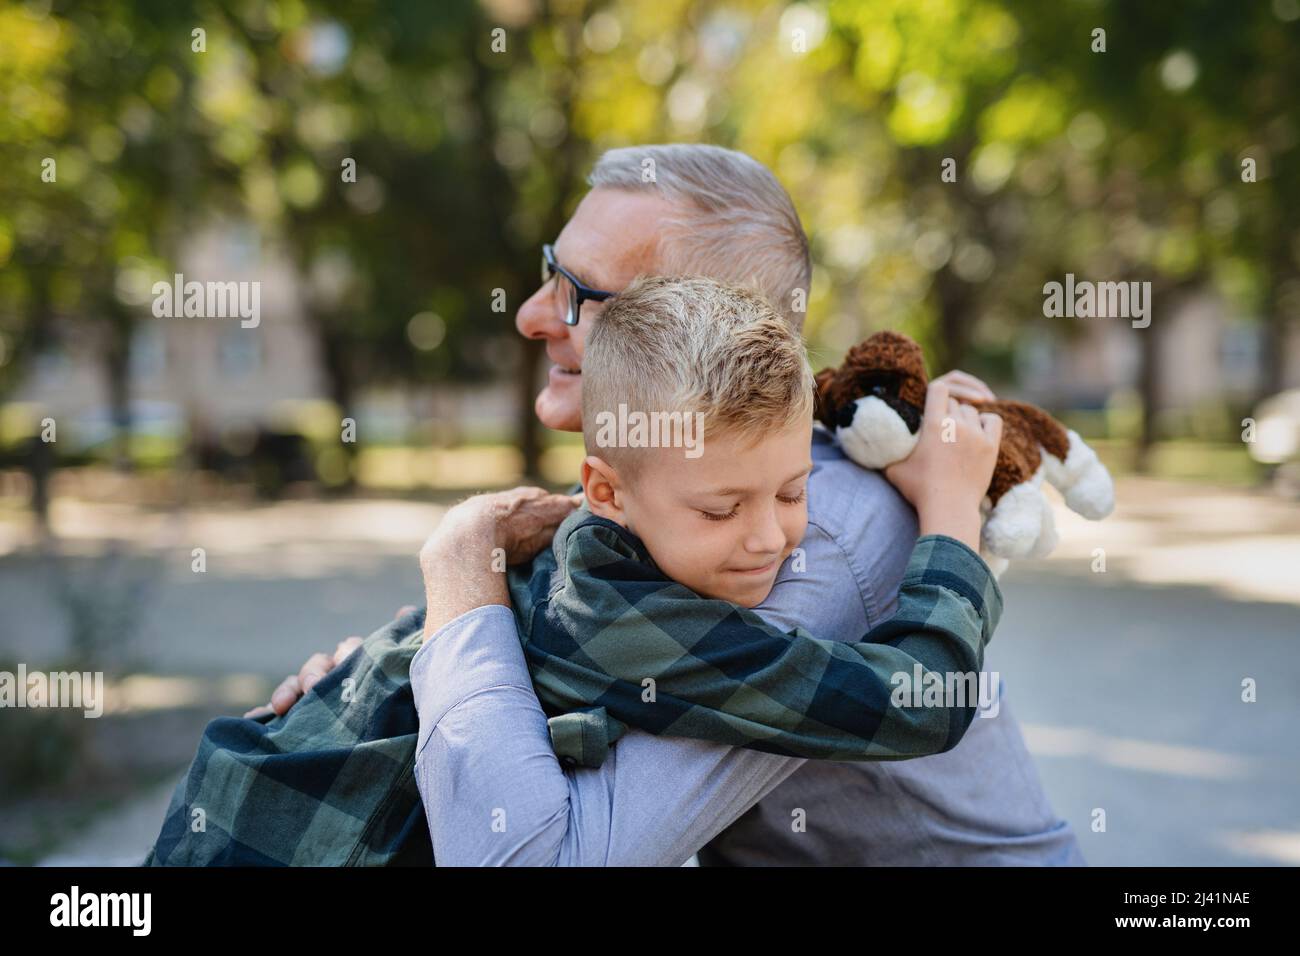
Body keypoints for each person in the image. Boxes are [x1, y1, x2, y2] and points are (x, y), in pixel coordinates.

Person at [257, 144, 1085, 866]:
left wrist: (460, 564)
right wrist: (382, 693)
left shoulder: (808, 538)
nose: (535, 313)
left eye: (580, 290)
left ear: (693, 325)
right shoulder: (650, 514)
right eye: (552, 267)